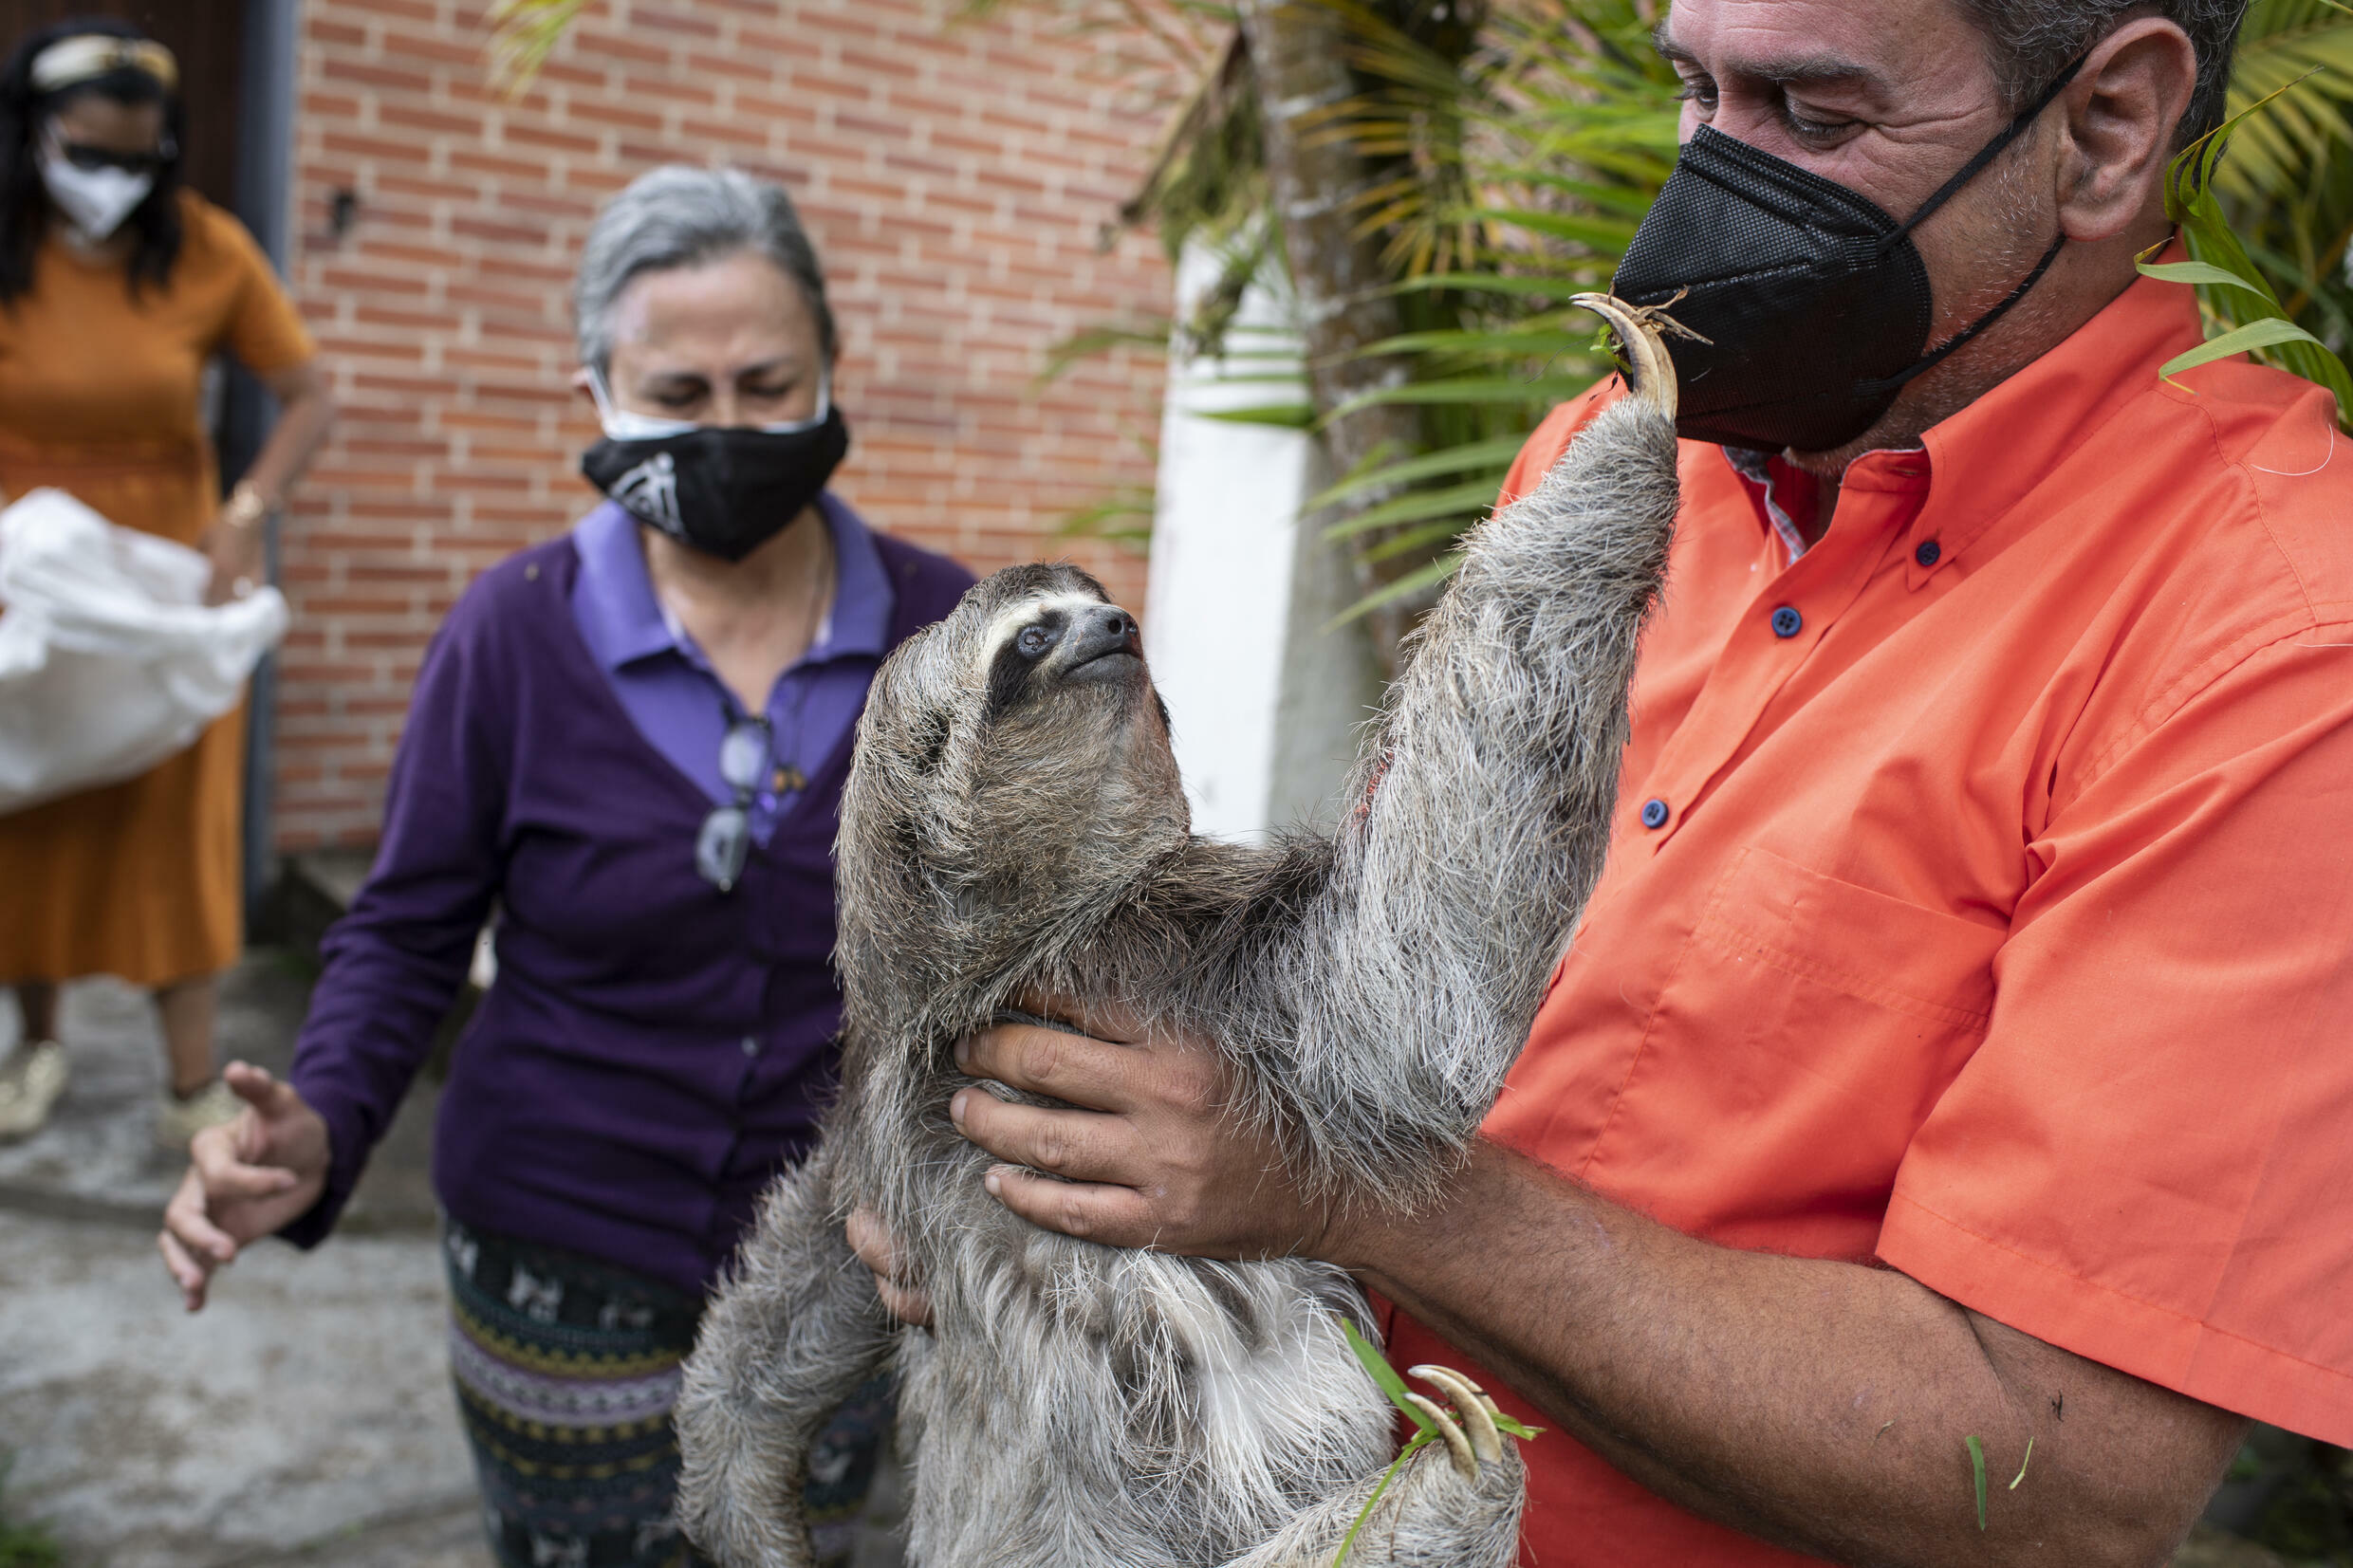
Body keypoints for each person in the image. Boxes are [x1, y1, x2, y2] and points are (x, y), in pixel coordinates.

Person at [862, 3, 2353, 1565]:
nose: (1708, 186)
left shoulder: (2274, 643)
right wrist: (1046, 1166)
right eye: (1693, 89)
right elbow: (1378, 994)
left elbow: (2057, 1477)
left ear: (2108, 126)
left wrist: (1335, 1182)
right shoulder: (1621, 454)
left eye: (1814, 115)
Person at [157, 165, 975, 1568]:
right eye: (676, 391)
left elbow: (1018, 949)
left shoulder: (948, 635)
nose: (726, 426)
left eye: (767, 383)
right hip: (554, 1249)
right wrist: (328, 1118)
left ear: (832, 376)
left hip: (844, 1262)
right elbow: (408, 929)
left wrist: (959, 1191)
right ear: (592, 397)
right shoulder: (510, 633)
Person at [0, 19, 333, 1147]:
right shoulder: (8, 245)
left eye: (135, 156)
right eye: (87, 150)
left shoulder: (201, 249)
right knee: (29, 812)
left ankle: (191, 1081)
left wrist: (246, 513)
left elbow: (307, 394)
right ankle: (34, 1046)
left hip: (159, 585)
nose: (110, 178)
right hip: (24, 580)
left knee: (169, 831)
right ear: (36, 137)